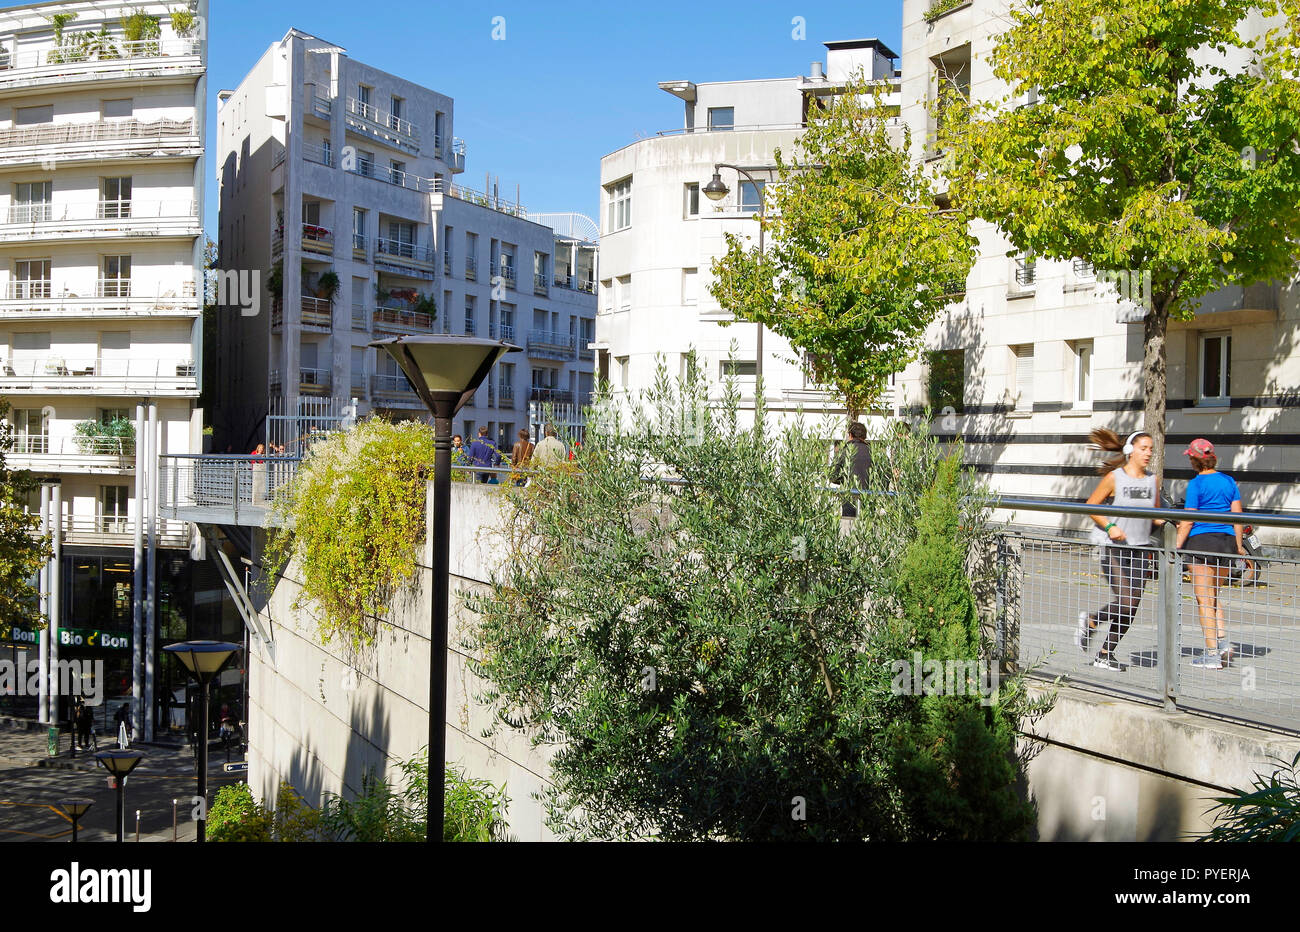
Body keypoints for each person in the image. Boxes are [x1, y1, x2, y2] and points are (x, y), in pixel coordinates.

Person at [1076, 429, 1164, 671]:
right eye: (1143, 448)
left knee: (1132, 605)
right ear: (1130, 450)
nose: (1148, 453)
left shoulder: (1152, 481)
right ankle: (1091, 620)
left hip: (1141, 548)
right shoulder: (1115, 477)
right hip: (1113, 547)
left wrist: (1174, 520)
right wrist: (1111, 526)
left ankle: (1105, 654)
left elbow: (1156, 516)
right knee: (1126, 601)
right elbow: (1091, 506)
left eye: (1150, 449)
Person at [1174, 438, 1244, 670]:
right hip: (1226, 543)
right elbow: (1238, 517)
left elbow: (1188, 519)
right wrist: (1239, 546)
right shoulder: (1228, 481)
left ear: (1194, 459)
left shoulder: (1196, 484)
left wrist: (1176, 547)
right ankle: (1223, 642)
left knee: (1203, 600)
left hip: (1202, 541)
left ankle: (1212, 654)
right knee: (1214, 594)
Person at [830, 421, 872, 518]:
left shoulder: (845, 451)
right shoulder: (873, 452)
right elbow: (885, 473)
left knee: (849, 529)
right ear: (864, 436)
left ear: (850, 435)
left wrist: (844, 479)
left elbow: (832, 475)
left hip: (849, 497)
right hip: (870, 497)